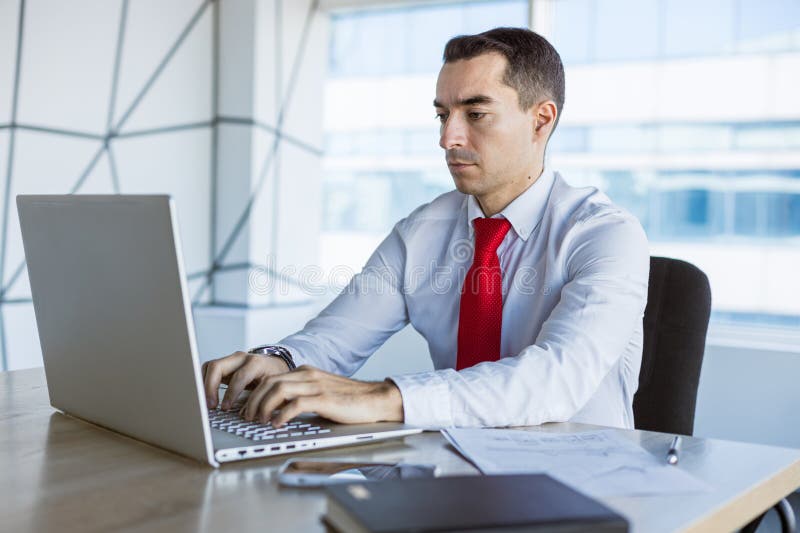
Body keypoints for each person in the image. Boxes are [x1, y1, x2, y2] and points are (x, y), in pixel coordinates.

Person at [202, 27, 649, 431]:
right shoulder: (423, 232)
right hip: (453, 471)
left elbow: (555, 381)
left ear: (541, 119)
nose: (448, 139)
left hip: (581, 485)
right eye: (442, 115)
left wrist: (385, 396)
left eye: (475, 114)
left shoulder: (605, 235)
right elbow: (335, 338)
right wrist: (280, 362)